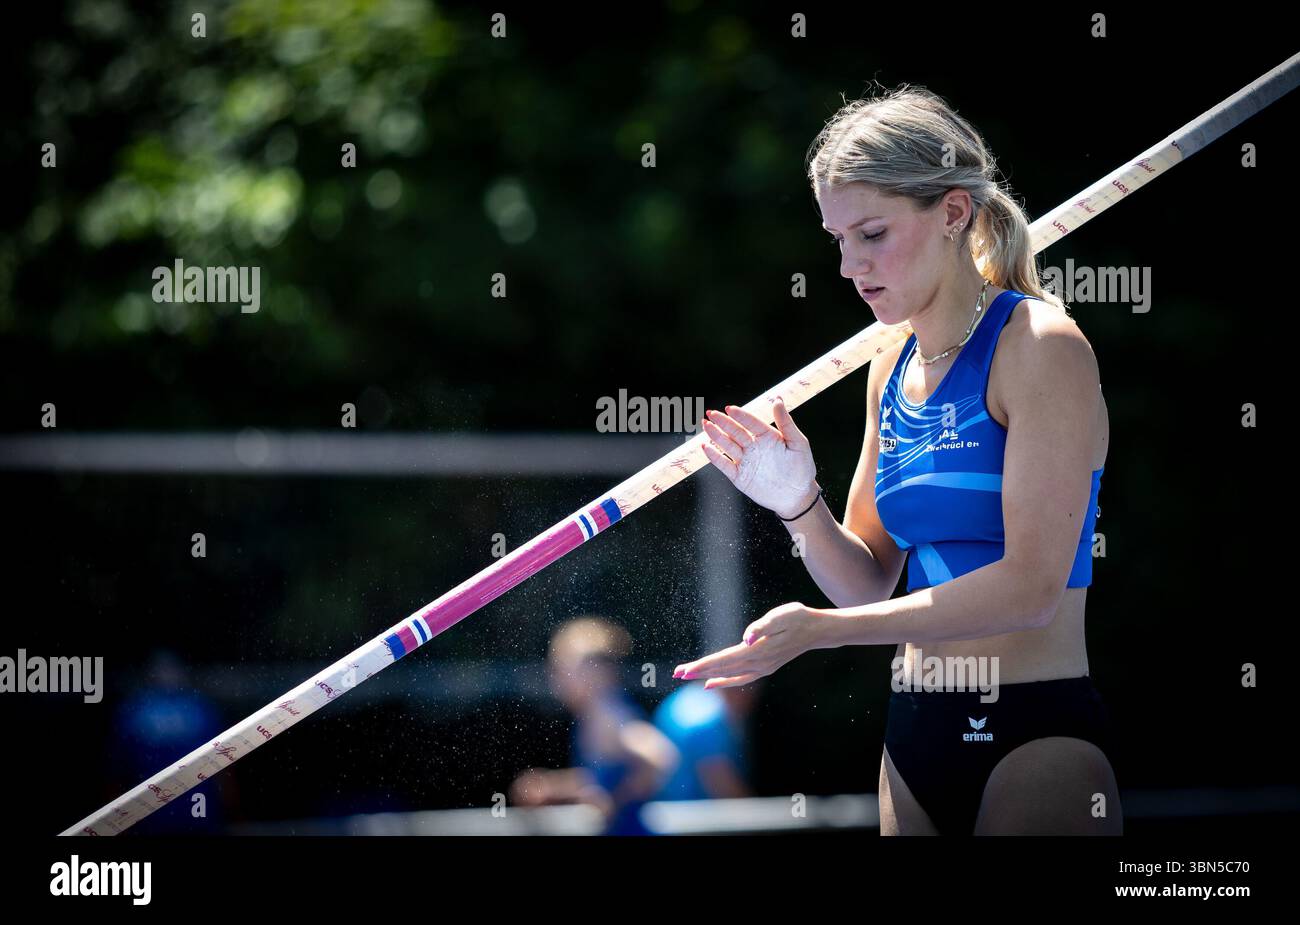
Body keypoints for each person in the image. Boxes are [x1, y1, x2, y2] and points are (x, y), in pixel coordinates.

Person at [672, 84, 1120, 835]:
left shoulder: (1041, 348)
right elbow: (868, 581)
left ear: (951, 212)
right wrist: (799, 504)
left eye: (872, 233)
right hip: (914, 740)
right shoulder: (891, 366)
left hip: (1034, 734)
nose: (850, 265)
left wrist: (820, 632)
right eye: (837, 239)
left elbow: (1031, 589)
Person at [511, 616, 678, 835]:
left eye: (564, 668)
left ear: (598, 672)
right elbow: (603, 775)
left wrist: (616, 801)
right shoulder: (596, 714)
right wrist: (554, 787)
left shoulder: (606, 713)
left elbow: (661, 756)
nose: (557, 678)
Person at [652, 681, 758, 801]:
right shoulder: (707, 723)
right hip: (693, 815)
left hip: (671, 810)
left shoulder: (685, 697)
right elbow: (723, 791)